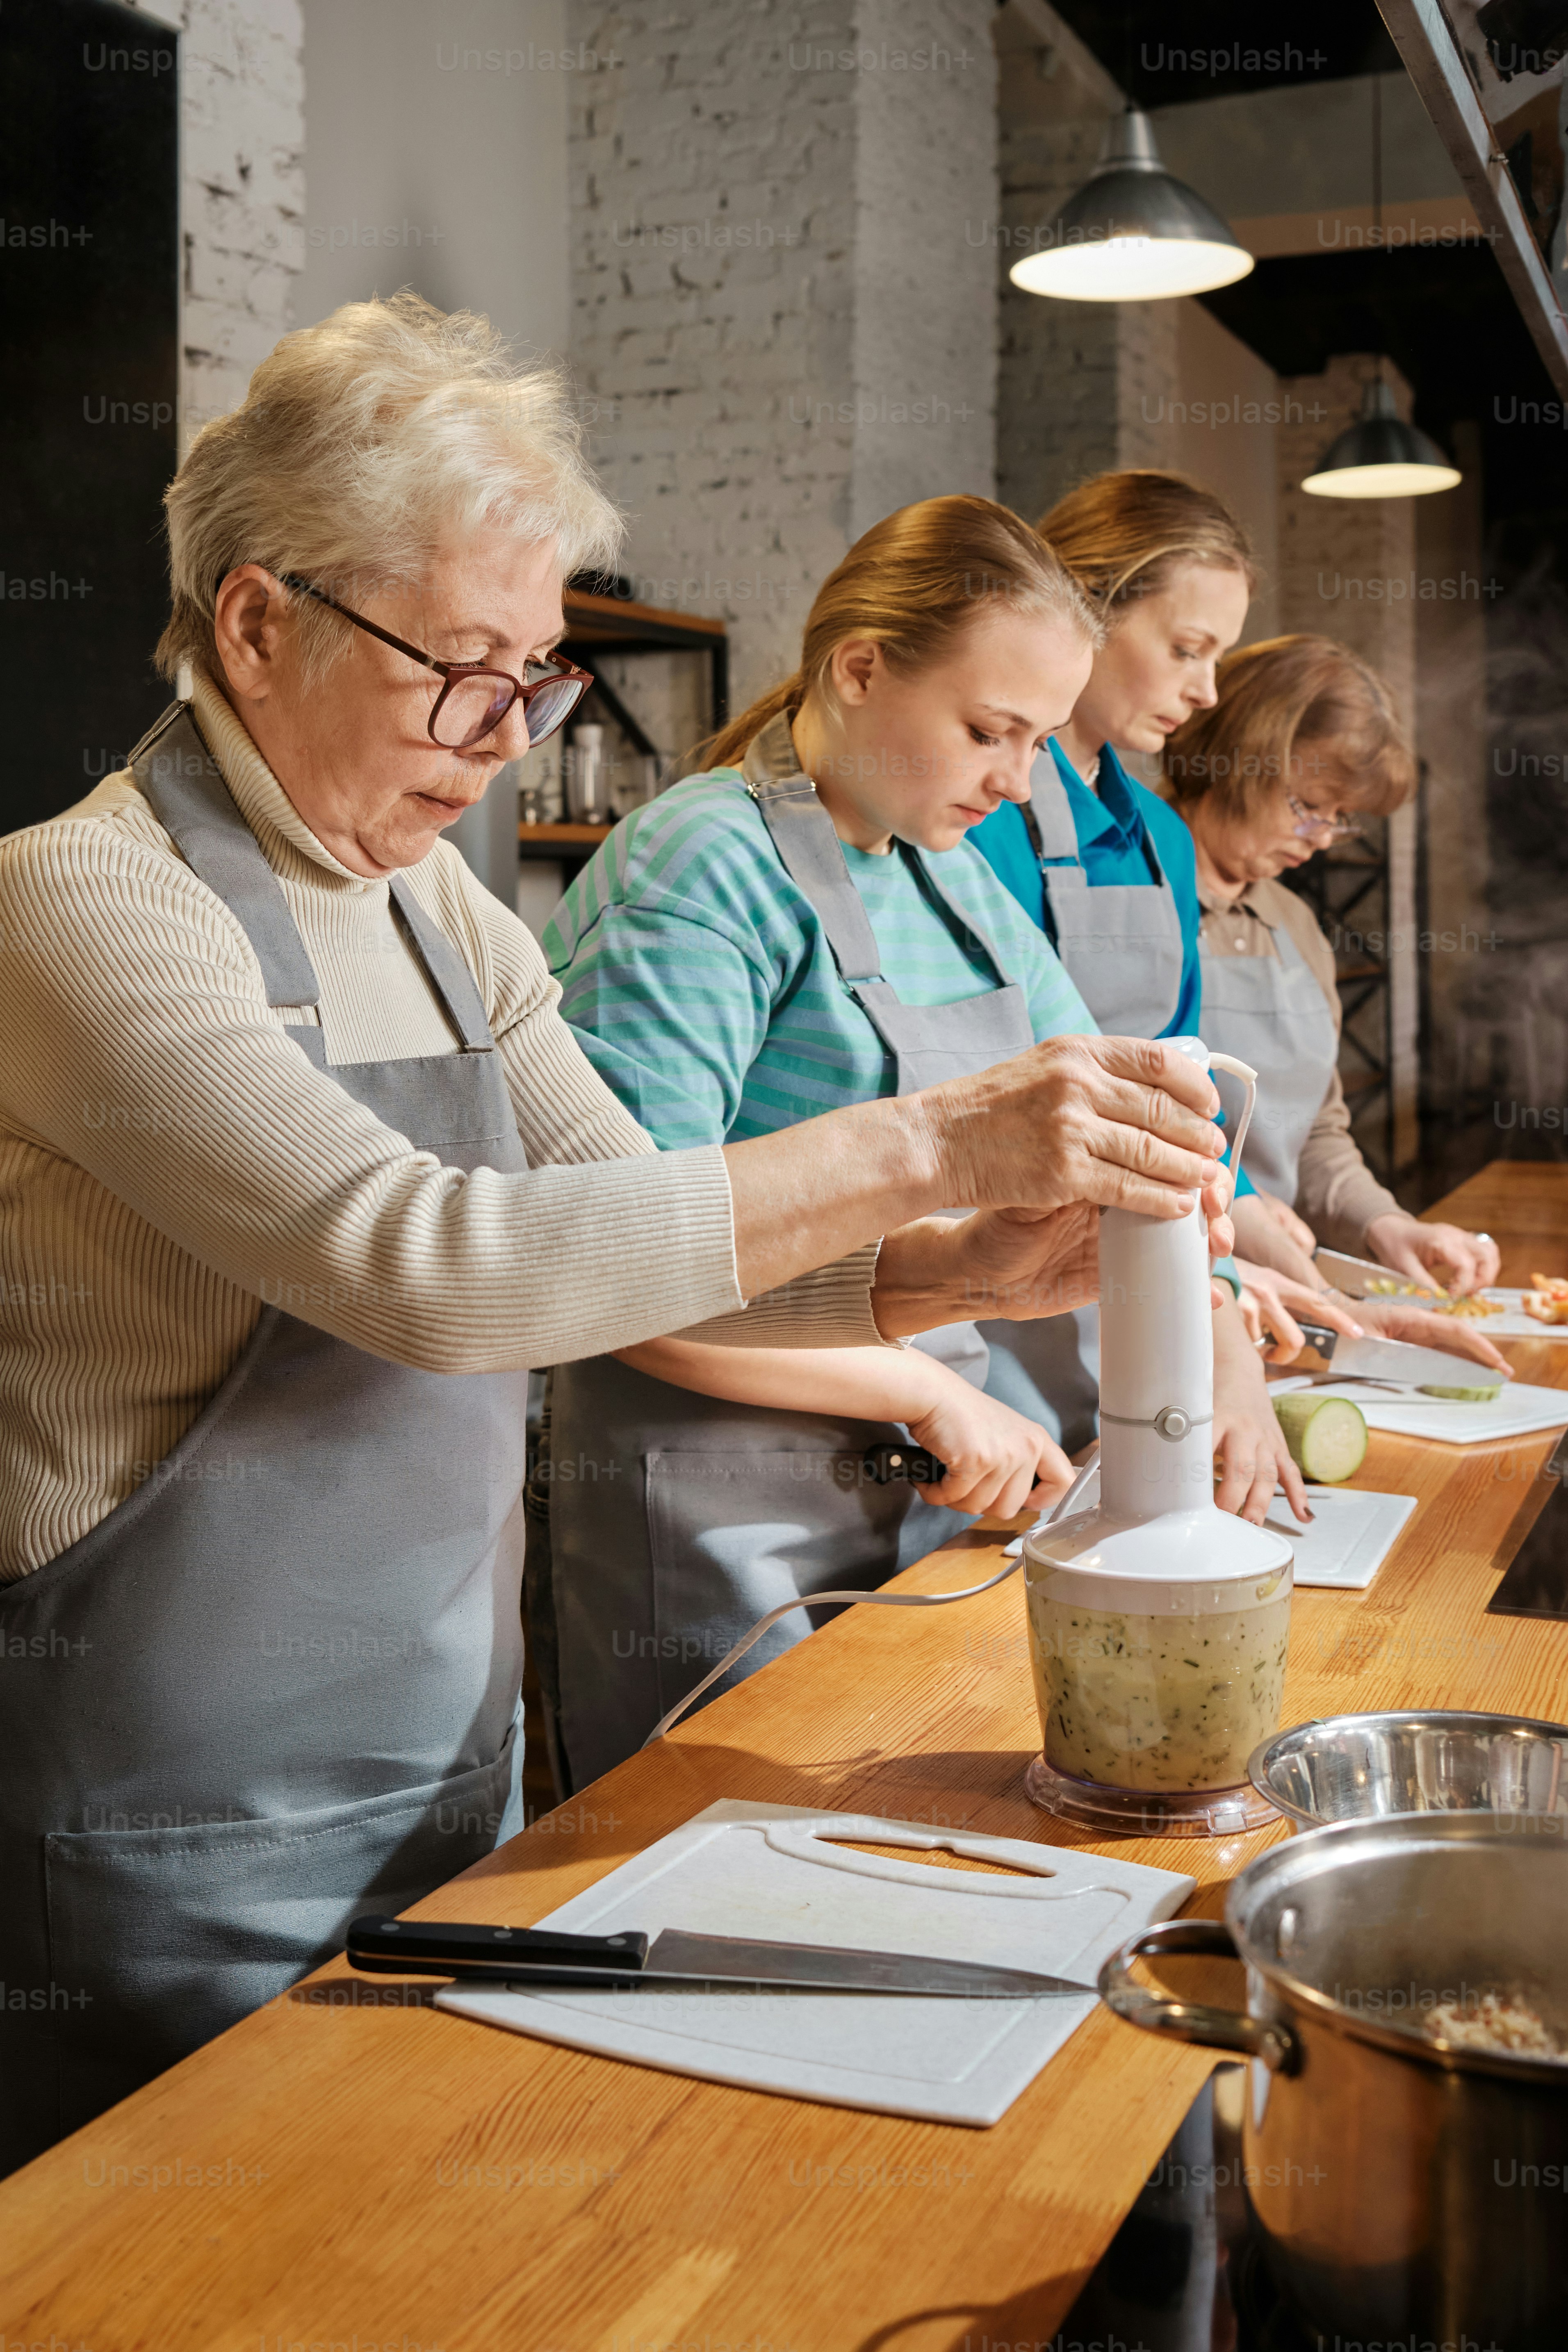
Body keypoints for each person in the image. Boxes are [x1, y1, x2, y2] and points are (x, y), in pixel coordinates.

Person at [0, 299, 1235, 2172]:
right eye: (463, 669)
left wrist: (967, 1267)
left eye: (540, 677)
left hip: (447, 1767)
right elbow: (433, 1261)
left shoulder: (439, 916)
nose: (507, 742)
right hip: (166, 1827)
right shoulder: (84, 906)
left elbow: (619, 1228)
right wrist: (928, 1144)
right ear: (256, 621)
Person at [537, 497, 1285, 1796]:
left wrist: (1185, 1251)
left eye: (1041, 744)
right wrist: (927, 1391)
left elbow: (1109, 1105)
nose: (1016, 782)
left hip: (923, 1488)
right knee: (708, 1879)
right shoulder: (701, 863)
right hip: (725, 1501)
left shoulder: (945, 873)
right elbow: (615, 1273)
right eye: (991, 732)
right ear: (861, 668)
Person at [965, 470, 1301, 1458]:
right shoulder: (974, 818)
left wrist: (1233, 1296)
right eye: (1187, 649)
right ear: (1085, 607)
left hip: (1149, 1273)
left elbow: (1184, 1087)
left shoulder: (1157, 828)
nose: (1206, 692)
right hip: (992, 1277)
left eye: (1219, 656)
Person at [1164, 633, 1508, 1372]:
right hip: (1170, 1297)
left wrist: (1386, 1224)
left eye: (1339, 818)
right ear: (1239, 756)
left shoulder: (1294, 925)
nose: (1320, 839)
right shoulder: (1133, 905)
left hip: (1288, 1307)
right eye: (1307, 806)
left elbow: (1316, 1133)